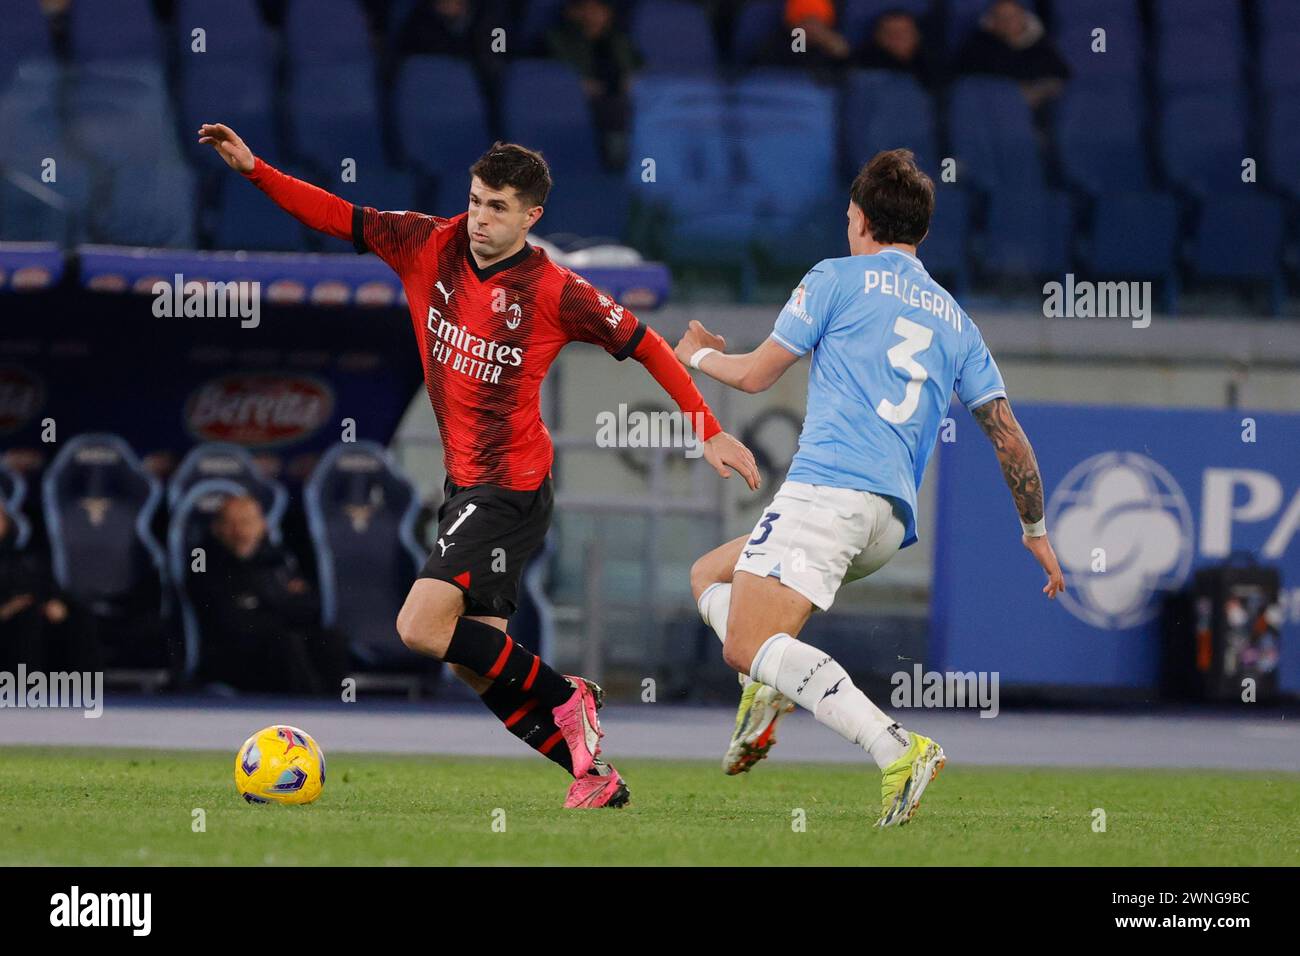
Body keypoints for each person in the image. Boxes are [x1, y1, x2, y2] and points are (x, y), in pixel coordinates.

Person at [196, 123, 760, 809]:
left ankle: (567, 695)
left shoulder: (555, 290)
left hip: (510, 489)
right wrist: (254, 167)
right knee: (473, 662)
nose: (480, 218)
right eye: (475, 200)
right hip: (466, 485)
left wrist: (707, 428)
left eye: (498, 207)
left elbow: (646, 344)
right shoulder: (423, 243)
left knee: (419, 627)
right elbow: (333, 213)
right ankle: (593, 777)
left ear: (532, 216)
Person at [677, 149, 1064, 827]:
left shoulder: (836, 278)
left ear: (858, 218)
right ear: (920, 230)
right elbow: (1008, 435)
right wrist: (1034, 530)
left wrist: (695, 355)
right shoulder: (954, 319)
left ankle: (895, 747)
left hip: (827, 491)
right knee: (709, 574)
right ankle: (767, 690)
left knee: (743, 643)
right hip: (887, 523)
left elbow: (754, 376)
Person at [189, 495, 348, 695]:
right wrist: (279, 599)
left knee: (330, 639)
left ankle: (336, 708)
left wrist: (260, 600)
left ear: (262, 525)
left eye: (247, 522)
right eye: (231, 523)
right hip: (233, 656)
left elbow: (310, 608)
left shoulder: (278, 558)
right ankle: (308, 708)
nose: (240, 531)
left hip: (279, 643)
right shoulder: (203, 562)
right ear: (217, 528)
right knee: (284, 642)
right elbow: (228, 619)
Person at [545, 0, 642, 170]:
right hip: (582, 102)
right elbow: (553, 73)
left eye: (599, 9)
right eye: (587, 9)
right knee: (618, 112)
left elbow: (639, 67)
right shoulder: (560, 39)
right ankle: (617, 162)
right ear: (573, 12)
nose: (593, 15)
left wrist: (633, 79)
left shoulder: (618, 39)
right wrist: (576, 86)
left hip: (619, 98)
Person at [955, 0, 1069, 110]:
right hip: (991, 114)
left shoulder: (1041, 46)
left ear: (1023, 17)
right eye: (1002, 17)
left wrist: (1038, 91)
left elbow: (1060, 77)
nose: (1008, 22)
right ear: (992, 21)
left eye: (1013, 16)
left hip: (1035, 118)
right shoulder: (977, 48)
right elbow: (966, 81)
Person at [855, 8, 936, 88]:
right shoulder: (862, 78)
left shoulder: (933, 75)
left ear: (917, 37)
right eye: (890, 33)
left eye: (904, 33)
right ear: (877, 37)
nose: (897, 38)